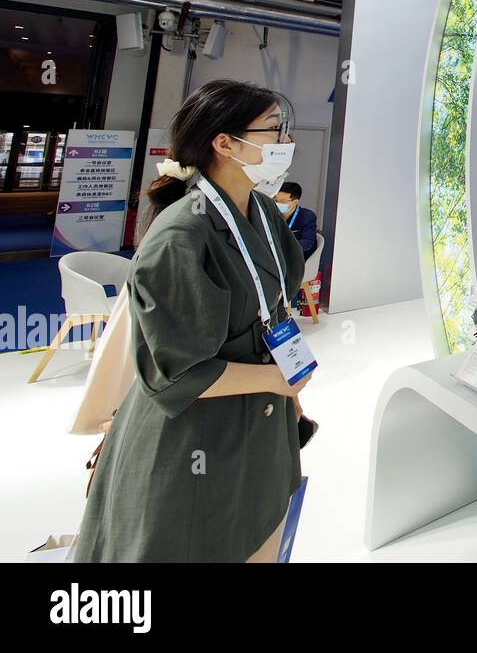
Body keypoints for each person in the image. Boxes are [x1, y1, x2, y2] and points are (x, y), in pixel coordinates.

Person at [73, 80, 310, 563]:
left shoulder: (264, 212)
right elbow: (177, 374)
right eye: (273, 130)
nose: (285, 142)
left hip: (262, 428)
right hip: (191, 442)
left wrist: (290, 394)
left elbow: (273, 308)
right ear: (225, 143)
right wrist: (276, 379)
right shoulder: (182, 234)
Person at [274, 182, 318, 260]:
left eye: (282, 201)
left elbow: (307, 243)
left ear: (294, 202)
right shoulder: (271, 214)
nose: (277, 204)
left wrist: (284, 251)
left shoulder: (307, 216)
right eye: (275, 200)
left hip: (297, 259)